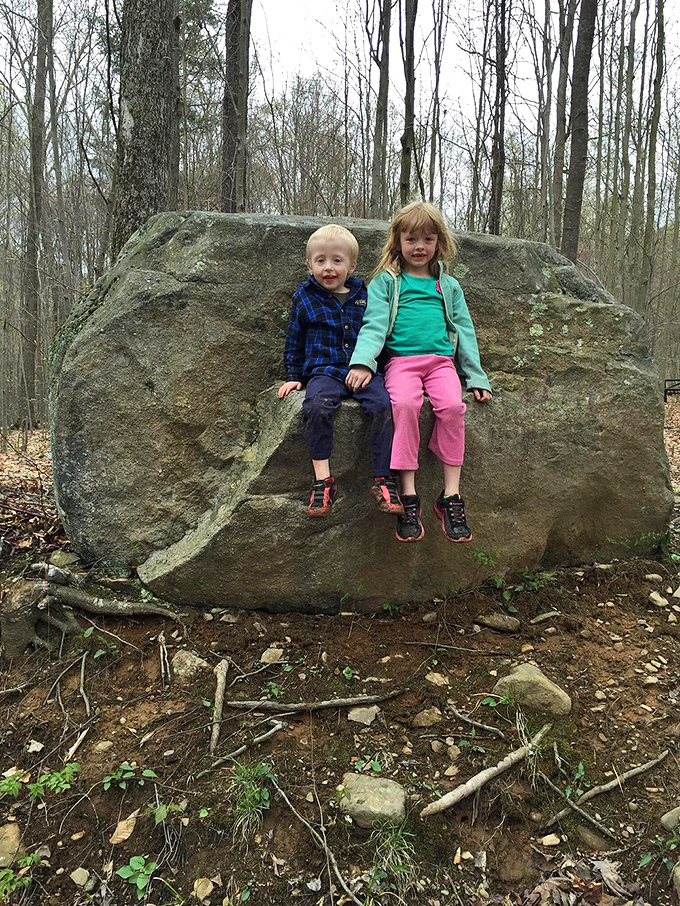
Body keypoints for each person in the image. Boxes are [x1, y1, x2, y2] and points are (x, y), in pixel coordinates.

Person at [345, 202, 492, 543]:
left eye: (428, 239)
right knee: (405, 405)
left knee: (452, 407)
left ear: (439, 242)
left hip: (441, 363)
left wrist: (476, 376)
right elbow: (373, 325)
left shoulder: (448, 286)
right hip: (401, 363)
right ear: (398, 242)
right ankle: (408, 495)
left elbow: (465, 331)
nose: (420, 247)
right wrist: (363, 362)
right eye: (411, 239)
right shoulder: (387, 282)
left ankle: (451, 496)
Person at [278, 224, 404, 518]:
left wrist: (383, 368)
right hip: (324, 372)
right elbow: (294, 340)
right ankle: (323, 481)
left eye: (337, 260)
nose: (328, 267)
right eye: (320, 260)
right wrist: (294, 377)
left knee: (384, 406)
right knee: (316, 406)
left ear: (352, 265)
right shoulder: (304, 298)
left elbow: (379, 334)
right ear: (309, 265)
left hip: (364, 371)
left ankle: (383, 479)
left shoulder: (365, 296)